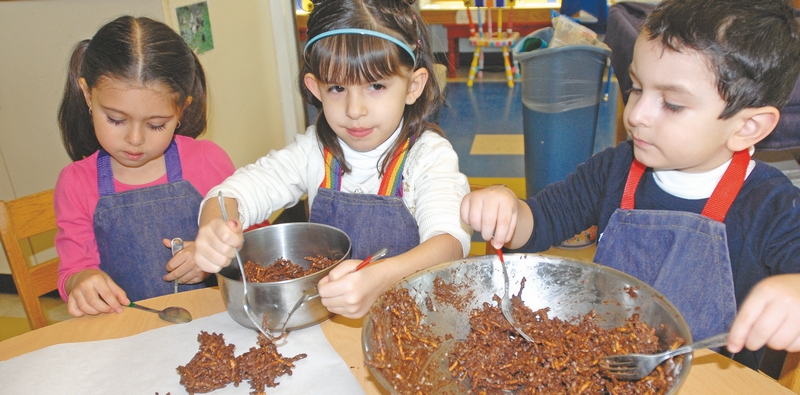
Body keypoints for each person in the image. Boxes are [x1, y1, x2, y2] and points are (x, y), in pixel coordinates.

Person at [461, 0, 800, 370]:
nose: (636, 115)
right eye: (637, 88)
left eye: (671, 104)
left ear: (746, 128)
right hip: (605, 368)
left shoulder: (774, 205)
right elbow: (540, 222)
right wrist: (508, 209)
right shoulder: (615, 169)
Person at [193, 0, 471, 319]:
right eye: (337, 87)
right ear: (315, 88)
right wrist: (215, 225)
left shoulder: (427, 156)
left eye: (376, 86)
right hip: (331, 325)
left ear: (413, 86)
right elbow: (235, 193)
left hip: (415, 321)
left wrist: (381, 278)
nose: (355, 110)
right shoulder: (313, 152)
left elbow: (449, 243)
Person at [55, 16, 235, 317]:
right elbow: (72, 272)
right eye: (115, 119)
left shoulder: (207, 161)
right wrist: (82, 281)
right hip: (128, 333)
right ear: (88, 95)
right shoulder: (75, 183)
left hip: (213, 326)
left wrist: (215, 255)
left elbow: (254, 245)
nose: (134, 139)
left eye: (156, 125)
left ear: (181, 110)